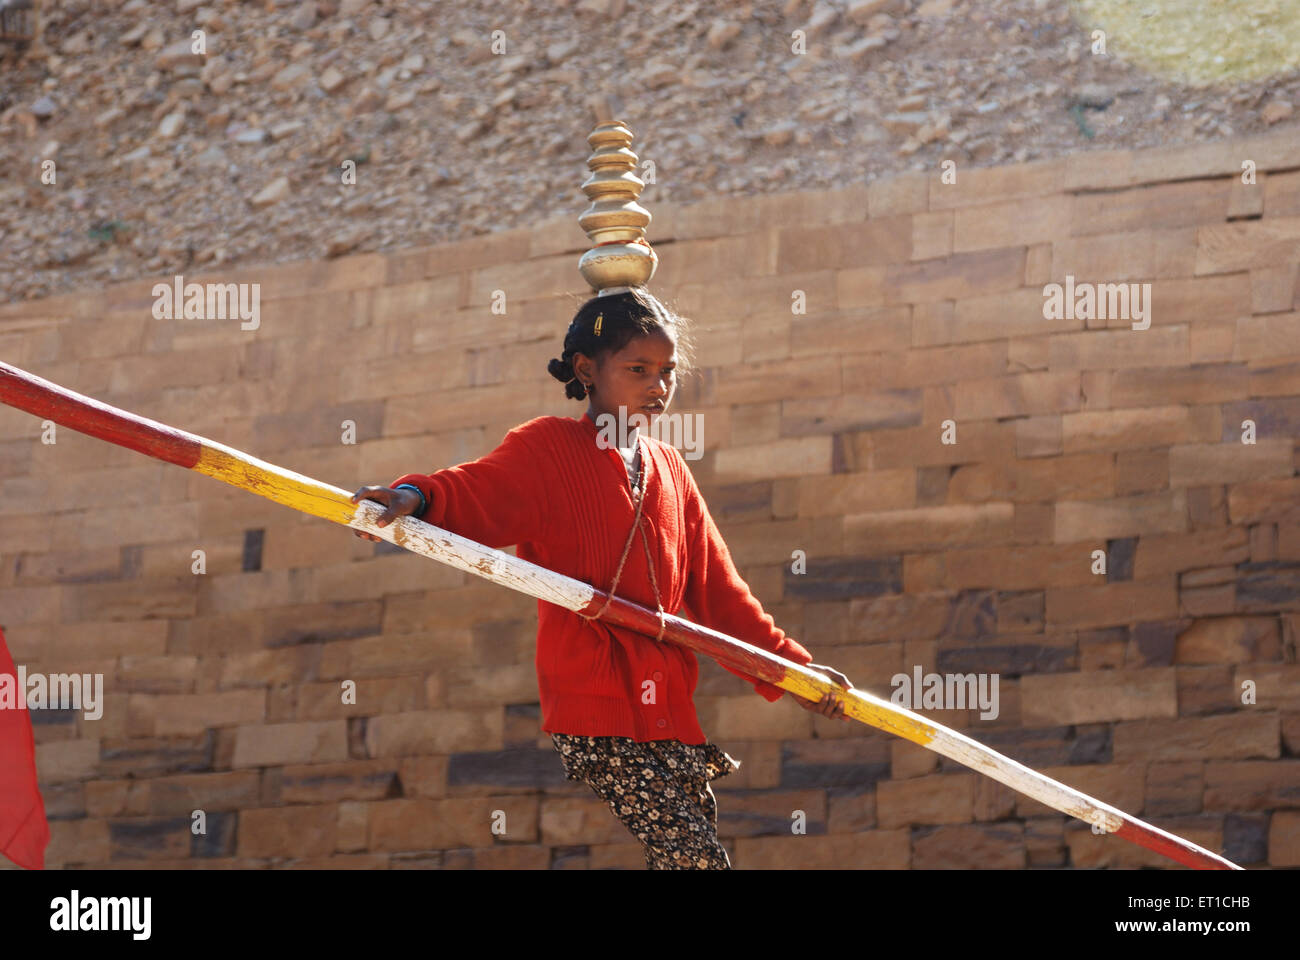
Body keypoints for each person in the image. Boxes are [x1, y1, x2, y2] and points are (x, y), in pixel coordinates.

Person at [350, 286, 853, 869]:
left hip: (670, 710)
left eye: (666, 372)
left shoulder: (672, 470)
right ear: (587, 370)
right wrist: (414, 496)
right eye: (638, 369)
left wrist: (791, 671)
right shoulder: (548, 448)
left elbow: (720, 593)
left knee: (681, 861)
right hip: (598, 707)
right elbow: (474, 491)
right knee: (696, 862)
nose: (657, 386)